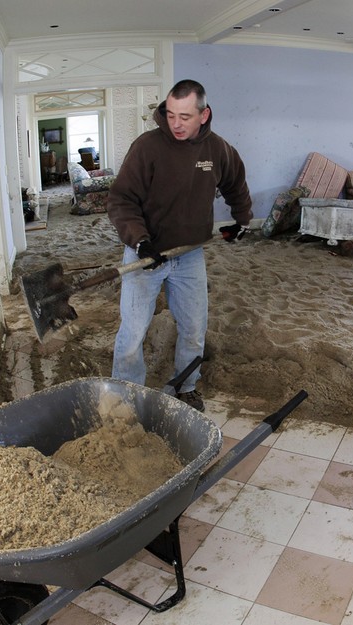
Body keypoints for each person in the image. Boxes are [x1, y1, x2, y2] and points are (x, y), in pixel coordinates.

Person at [106, 79, 252, 412]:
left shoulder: (217, 150)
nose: (176, 124)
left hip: (188, 255)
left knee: (193, 328)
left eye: (185, 116)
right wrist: (139, 240)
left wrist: (242, 219)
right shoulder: (147, 147)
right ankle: (127, 396)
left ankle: (186, 386)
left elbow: (236, 183)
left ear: (204, 114)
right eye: (170, 114)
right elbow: (121, 200)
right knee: (132, 333)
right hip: (145, 254)